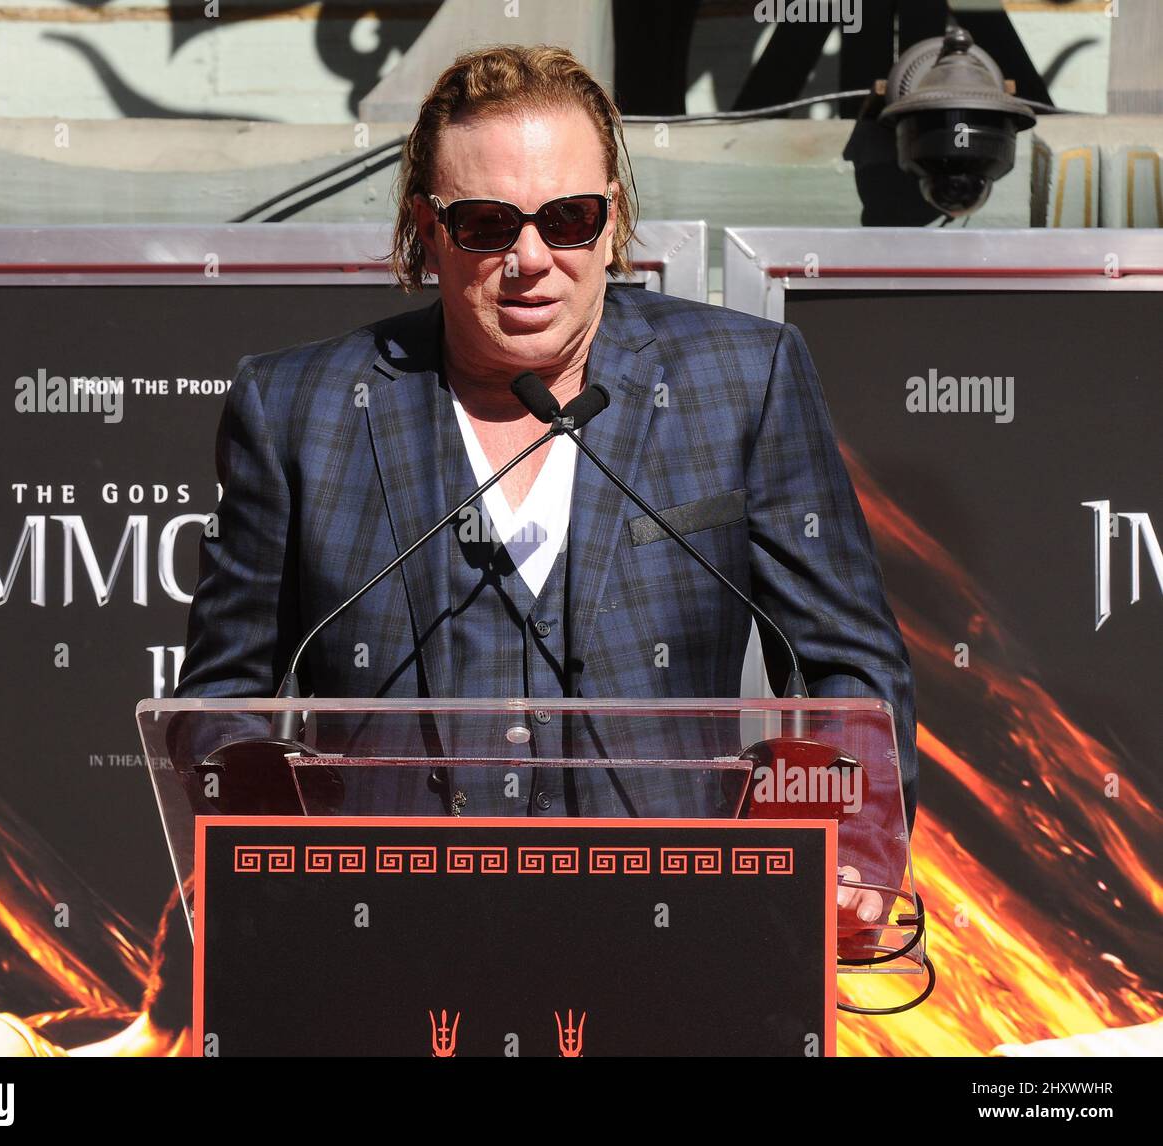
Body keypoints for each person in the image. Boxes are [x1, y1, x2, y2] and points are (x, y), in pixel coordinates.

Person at [174, 44, 916, 924]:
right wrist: (281, 875)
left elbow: (850, 667)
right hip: (382, 950)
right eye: (487, 224)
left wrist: (854, 857)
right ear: (426, 226)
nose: (530, 259)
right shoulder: (300, 407)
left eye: (567, 217)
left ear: (615, 220)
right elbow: (223, 700)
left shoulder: (742, 378)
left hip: (679, 945)